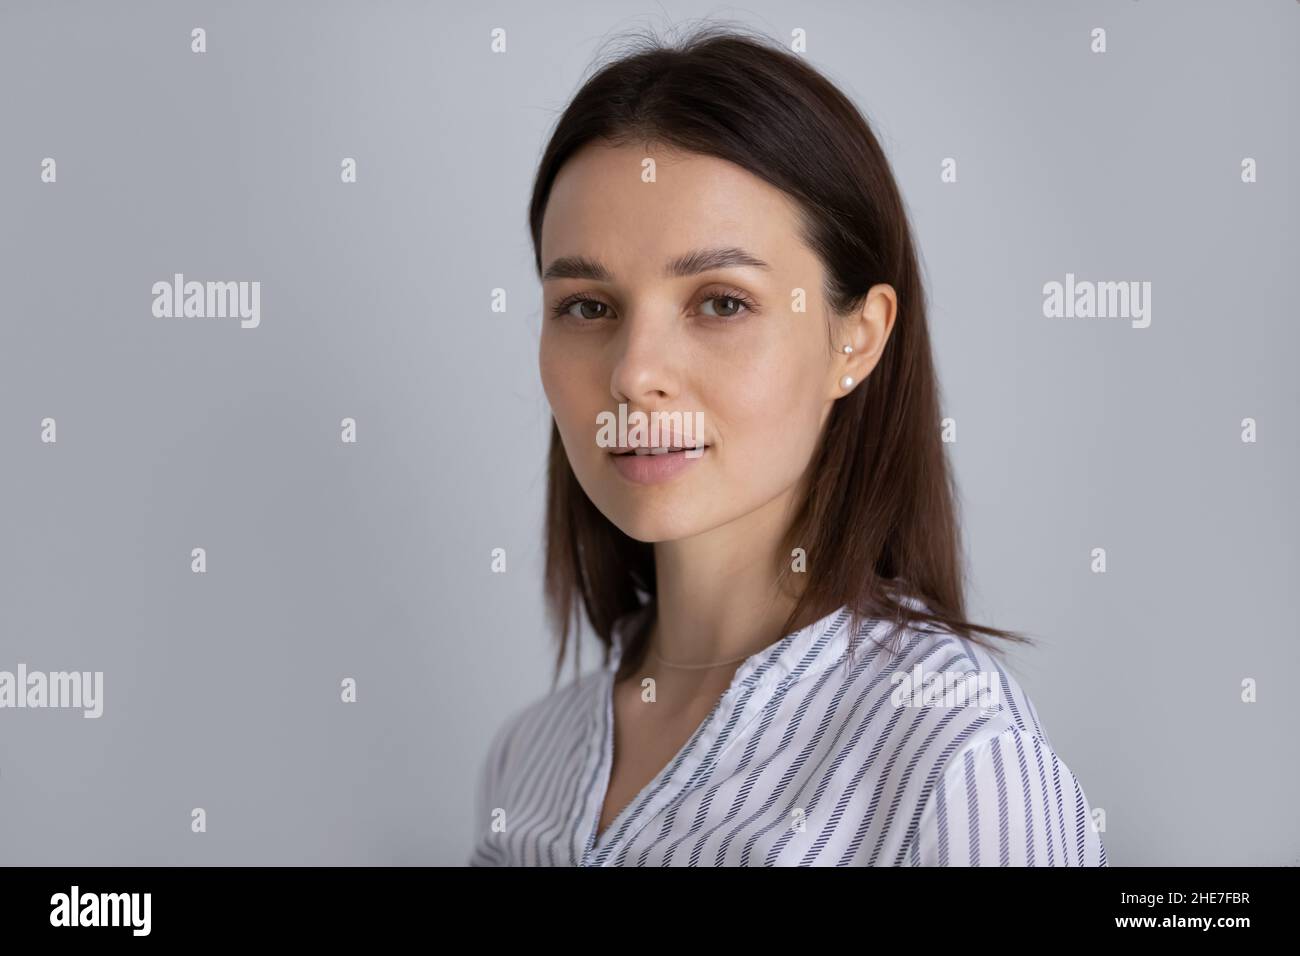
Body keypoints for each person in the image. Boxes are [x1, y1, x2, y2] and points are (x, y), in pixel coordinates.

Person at [469, 24, 1106, 867]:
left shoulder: (958, 758)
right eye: (587, 306)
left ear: (858, 338)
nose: (635, 373)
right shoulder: (526, 761)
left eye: (721, 302)